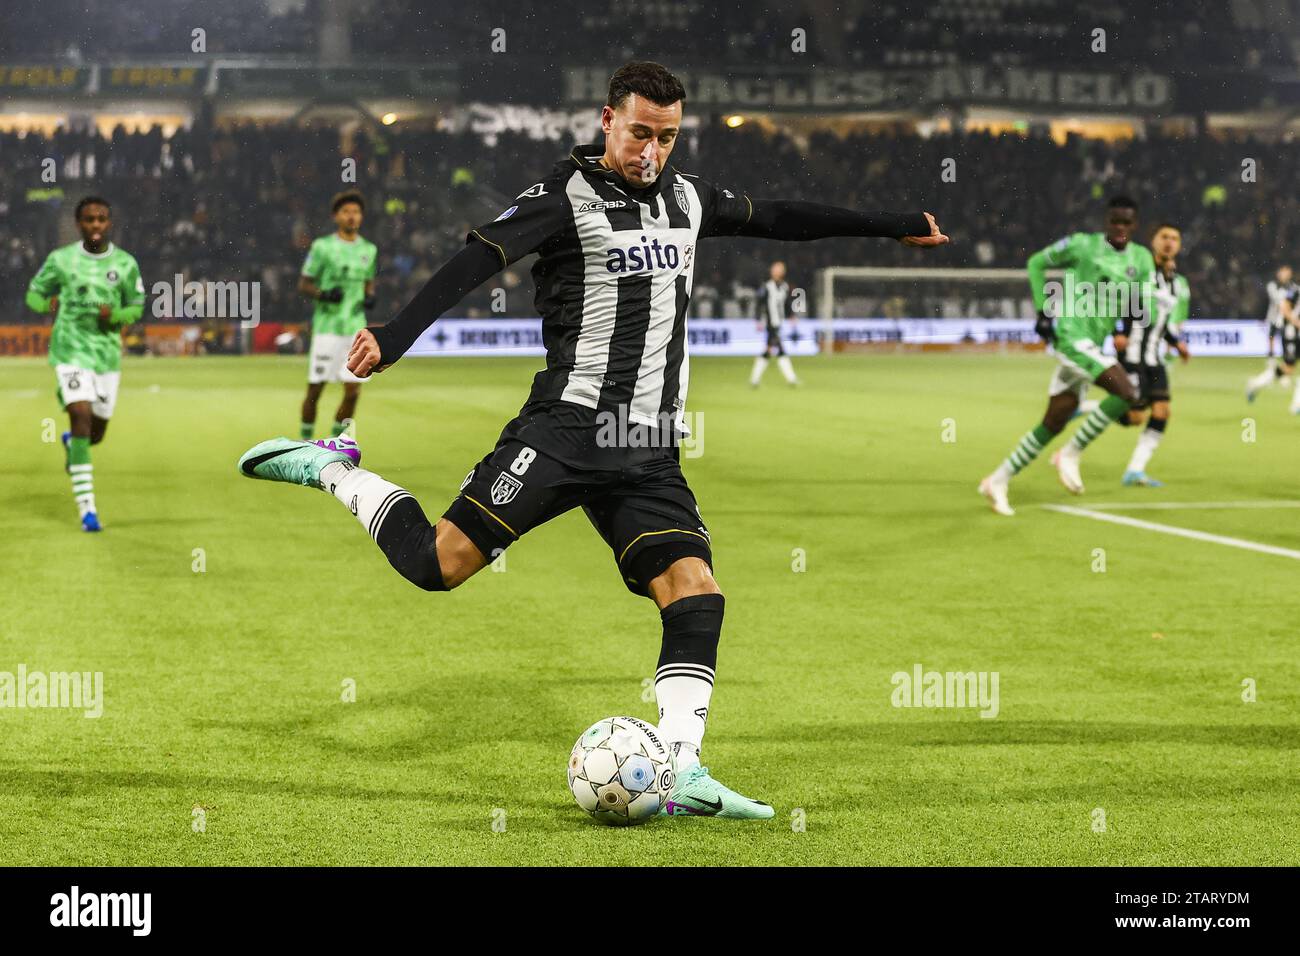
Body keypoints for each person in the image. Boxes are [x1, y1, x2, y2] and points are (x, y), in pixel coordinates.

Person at [238, 61, 947, 818]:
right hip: (567, 430)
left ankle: (681, 769)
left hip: (648, 446)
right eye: (640, 131)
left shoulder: (688, 197)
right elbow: (476, 261)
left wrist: (894, 222)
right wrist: (394, 335)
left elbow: (780, 214)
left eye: (667, 137)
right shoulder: (562, 196)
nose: (652, 151)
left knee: (695, 591)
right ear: (607, 120)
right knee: (435, 565)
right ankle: (333, 470)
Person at [979, 197, 1151, 515]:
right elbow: (1036, 263)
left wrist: (1127, 323)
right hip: (1072, 337)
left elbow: (1139, 304)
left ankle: (998, 480)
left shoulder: (1141, 258)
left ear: (1135, 225)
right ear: (1106, 221)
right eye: (1115, 221)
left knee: (1055, 420)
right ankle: (1071, 453)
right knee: (1127, 392)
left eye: (1127, 222)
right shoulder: (1082, 245)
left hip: (1094, 346)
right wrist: (1044, 311)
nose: (1120, 228)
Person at [25, 196, 144, 532]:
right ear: (79, 224)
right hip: (70, 352)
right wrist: (47, 302)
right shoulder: (61, 260)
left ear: (109, 223)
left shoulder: (124, 264)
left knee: (96, 432)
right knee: (80, 414)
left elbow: (136, 306)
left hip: (106, 355)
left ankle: (72, 444)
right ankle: (88, 510)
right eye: (89, 219)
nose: (95, 225)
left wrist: (116, 315)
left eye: (101, 219)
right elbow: (33, 293)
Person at [1108, 224, 1191, 486]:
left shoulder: (1175, 282)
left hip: (1154, 358)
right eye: (1164, 237)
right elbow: (1115, 299)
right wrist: (1117, 330)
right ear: (1153, 241)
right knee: (1134, 417)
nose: (1169, 242)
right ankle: (1084, 409)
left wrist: (1175, 343)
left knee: (1162, 411)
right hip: (1131, 354)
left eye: (1175, 238)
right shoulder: (1139, 272)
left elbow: (1161, 320)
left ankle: (1135, 470)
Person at [298, 190, 378, 439]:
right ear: (336, 217)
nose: (351, 216)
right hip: (327, 329)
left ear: (361, 217)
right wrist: (323, 294)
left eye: (355, 212)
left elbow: (368, 283)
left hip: (355, 329)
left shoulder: (369, 249)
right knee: (316, 389)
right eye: (346, 212)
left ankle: (337, 443)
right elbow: (304, 283)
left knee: (353, 391)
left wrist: (370, 296)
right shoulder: (322, 247)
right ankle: (306, 442)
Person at [750, 260, 800, 387]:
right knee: (780, 349)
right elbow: (759, 304)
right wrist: (758, 320)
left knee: (768, 350)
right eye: (776, 269)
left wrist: (791, 315)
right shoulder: (766, 286)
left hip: (779, 322)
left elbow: (787, 304)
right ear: (772, 271)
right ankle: (791, 379)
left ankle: (754, 379)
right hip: (770, 323)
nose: (777, 271)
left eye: (780, 269)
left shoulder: (785, 286)